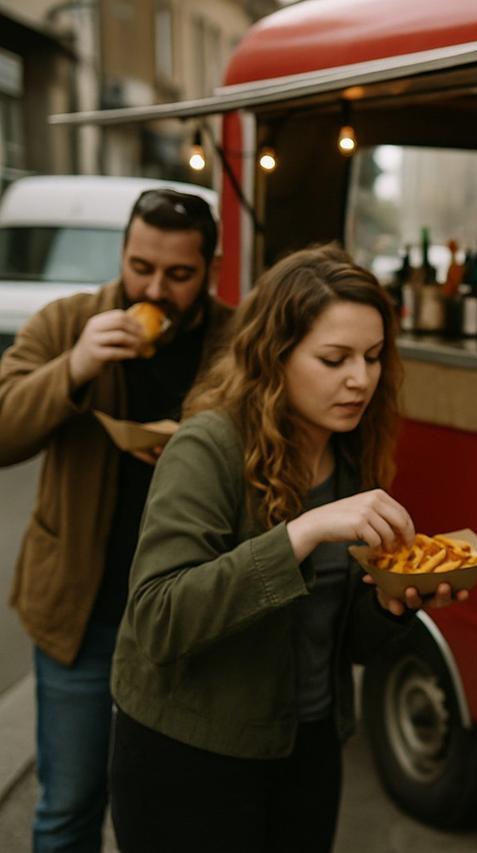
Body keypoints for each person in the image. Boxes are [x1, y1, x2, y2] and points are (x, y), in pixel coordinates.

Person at [106, 245, 460, 852]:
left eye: (374, 357)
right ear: (274, 356)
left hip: (308, 747)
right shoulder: (209, 446)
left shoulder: (350, 453)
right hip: (192, 761)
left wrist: (392, 607)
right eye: (334, 358)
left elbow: (339, 641)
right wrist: (302, 532)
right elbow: (158, 618)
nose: (361, 379)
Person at [0, 187, 230, 852]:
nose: (153, 288)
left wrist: (199, 453)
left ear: (210, 270)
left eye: (178, 274)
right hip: (83, 613)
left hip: (189, 626)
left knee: (168, 815)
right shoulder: (68, 321)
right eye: (139, 266)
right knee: (69, 805)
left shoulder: (234, 339)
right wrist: (74, 367)